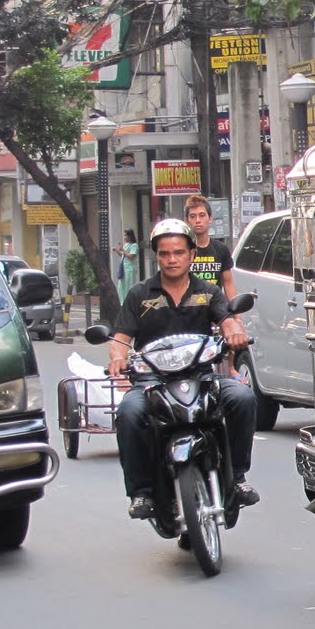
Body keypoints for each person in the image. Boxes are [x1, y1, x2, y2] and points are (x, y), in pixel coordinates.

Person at [109, 219, 258, 520]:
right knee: (128, 413)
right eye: (165, 254)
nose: (172, 259)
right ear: (156, 257)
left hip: (202, 377)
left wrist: (234, 333)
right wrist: (117, 358)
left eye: (178, 252)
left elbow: (227, 320)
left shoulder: (208, 292)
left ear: (192, 255)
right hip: (151, 382)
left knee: (243, 398)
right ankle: (141, 493)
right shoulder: (140, 295)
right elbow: (120, 339)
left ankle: (238, 477)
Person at [183, 195, 237, 299]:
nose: (198, 220)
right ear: (187, 220)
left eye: (202, 215)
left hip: (214, 309)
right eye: (193, 216)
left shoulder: (221, 249)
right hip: (188, 310)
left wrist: (236, 313)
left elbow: (228, 283)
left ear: (210, 218)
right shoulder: (181, 251)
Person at [116, 228, 139, 301]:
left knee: (128, 286)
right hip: (123, 269)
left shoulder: (134, 245)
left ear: (130, 236)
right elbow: (123, 255)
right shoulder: (126, 245)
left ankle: (129, 303)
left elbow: (131, 256)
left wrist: (123, 250)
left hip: (130, 269)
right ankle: (122, 303)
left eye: (126, 235)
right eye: (124, 235)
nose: (124, 237)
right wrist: (117, 251)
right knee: (121, 286)